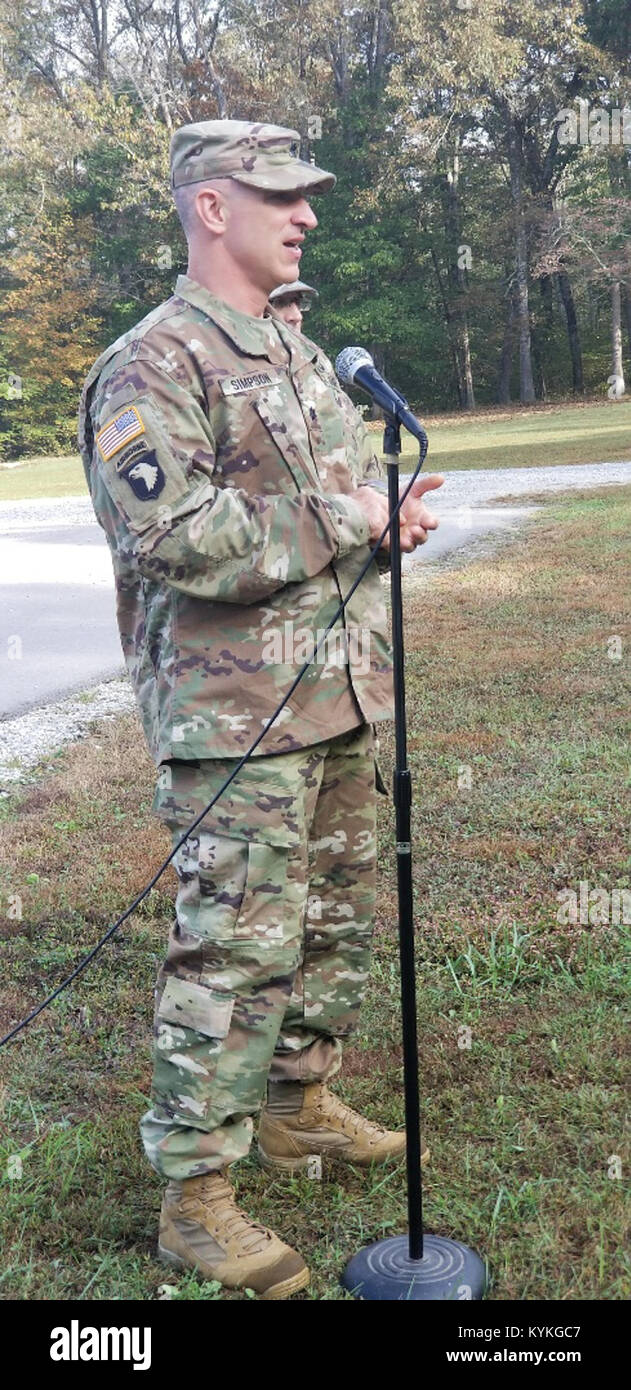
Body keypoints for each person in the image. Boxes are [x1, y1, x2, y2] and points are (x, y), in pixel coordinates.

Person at [78, 119, 443, 1301]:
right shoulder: (152, 364)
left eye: (308, 194)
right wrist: (353, 520)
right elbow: (173, 535)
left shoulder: (292, 350)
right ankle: (196, 1197)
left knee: (329, 927)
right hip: (231, 722)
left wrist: (388, 514)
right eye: (278, 193)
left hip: (333, 691)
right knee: (230, 950)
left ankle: (295, 1105)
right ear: (209, 208)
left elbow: (332, 502)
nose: (307, 213)